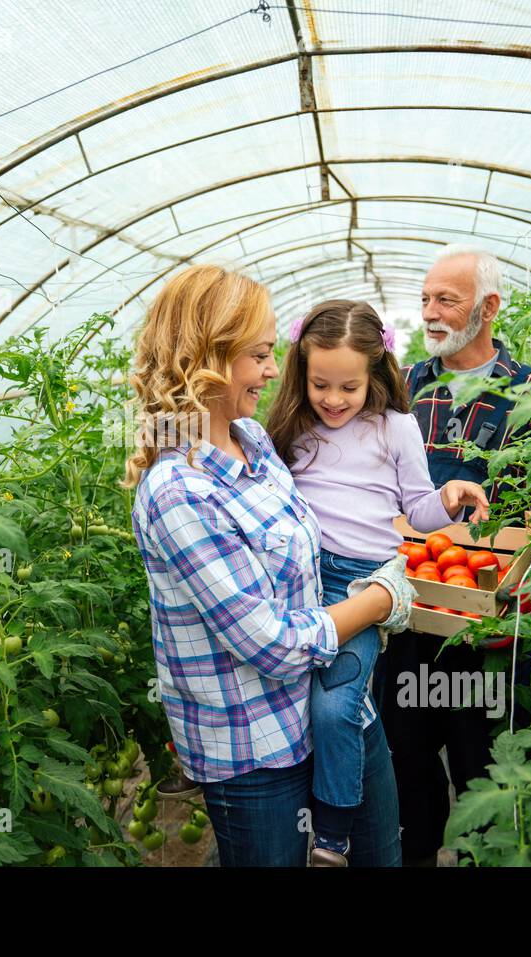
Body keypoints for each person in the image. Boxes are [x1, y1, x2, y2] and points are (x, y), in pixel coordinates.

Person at [125, 264, 418, 867]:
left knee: (382, 857)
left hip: (337, 709)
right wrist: (381, 599)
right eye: (258, 355)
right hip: (258, 748)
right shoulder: (178, 492)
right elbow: (271, 643)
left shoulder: (255, 442)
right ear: (207, 358)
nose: (270, 370)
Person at [264, 298, 491, 866]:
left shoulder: (395, 429)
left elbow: (417, 510)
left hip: (362, 588)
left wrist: (449, 497)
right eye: (320, 385)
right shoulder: (292, 429)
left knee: (336, 707)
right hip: (298, 580)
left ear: (375, 375)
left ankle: (333, 836)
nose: (334, 400)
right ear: (301, 373)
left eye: (349, 387)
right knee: (295, 706)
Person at [372, 243, 531, 866]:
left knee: (485, 764)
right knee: (407, 754)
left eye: (446, 300)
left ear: (489, 307)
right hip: (406, 607)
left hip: (491, 619)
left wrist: (520, 564)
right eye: (425, 299)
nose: (431, 313)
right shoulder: (402, 386)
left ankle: (481, 857)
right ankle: (418, 854)